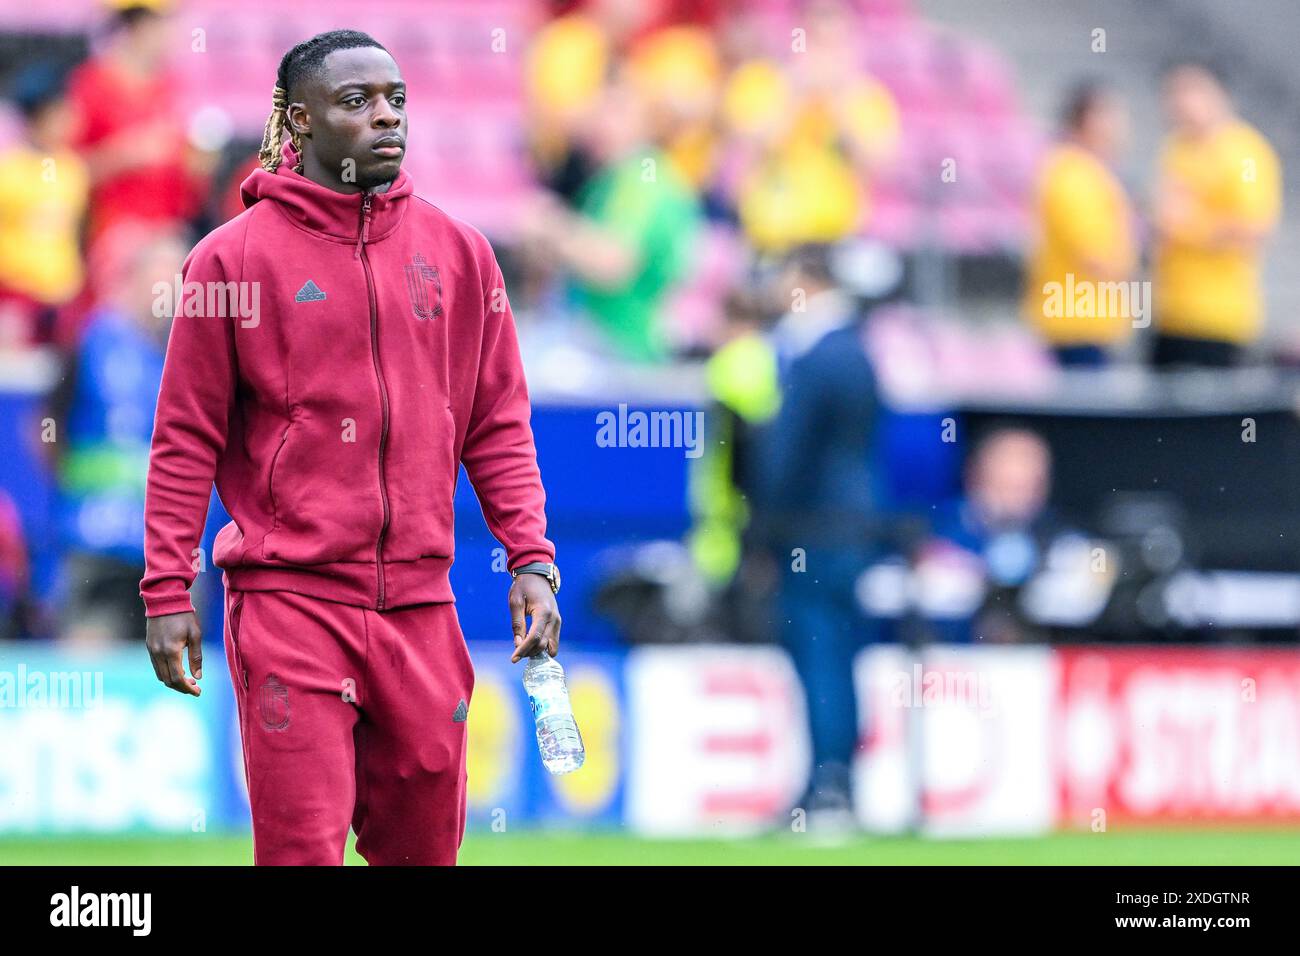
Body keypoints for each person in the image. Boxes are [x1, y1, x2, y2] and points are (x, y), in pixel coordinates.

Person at [139, 31, 561, 866]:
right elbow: (185, 437)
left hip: (422, 608)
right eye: (357, 102)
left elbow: (499, 425)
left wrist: (532, 560)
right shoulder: (228, 260)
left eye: (396, 100)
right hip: (287, 603)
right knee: (301, 855)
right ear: (300, 120)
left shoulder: (463, 254)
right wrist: (165, 588)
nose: (385, 118)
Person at [755, 245, 881, 829]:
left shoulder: (815, 353)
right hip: (848, 529)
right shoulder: (857, 349)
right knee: (836, 652)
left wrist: (763, 528)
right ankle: (836, 781)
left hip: (814, 530)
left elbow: (789, 456)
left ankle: (828, 784)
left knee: (819, 654)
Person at [51, 228, 183, 646]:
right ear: (135, 279)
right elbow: (46, 426)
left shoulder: (187, 349)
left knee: (175, 665)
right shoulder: (90, 340)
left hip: (168, 547)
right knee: (89, 654)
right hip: (96, 538)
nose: (169, 295)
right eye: (160, 282)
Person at [1151, 61, 1281, 368]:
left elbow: (1255, 228)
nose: (1181, 101)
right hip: (1170, 311)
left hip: (1216, 317)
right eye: (1175, 92)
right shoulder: (1176, 148)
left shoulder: (1244, 153)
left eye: (1191, 90)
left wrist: (1191, 225)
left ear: (1219, 94)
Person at [66, 0, 213, 243]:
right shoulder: (90, 85)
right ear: (137, 27)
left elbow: (190, 181)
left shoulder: (171, 86)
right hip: (115, 233)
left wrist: (196, 166)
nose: (172, 34)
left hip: (169, 229)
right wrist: (123, 155)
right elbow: (64, 171)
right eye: (163, 24)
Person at [1023, 82, 1137, 366]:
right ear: (1089, 121)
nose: (1120, 126)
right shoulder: (1074, 175)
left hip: (1085, 320)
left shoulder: (1087, 171)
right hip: (1077, 322)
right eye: (1111, 115)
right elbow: (1093, 256)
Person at [0, 64, 88, 348]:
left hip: (63, 296)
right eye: (61, 113)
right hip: (16, 297)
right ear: (40, 117)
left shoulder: (73, 168)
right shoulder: (9, 170)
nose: (70, 120)